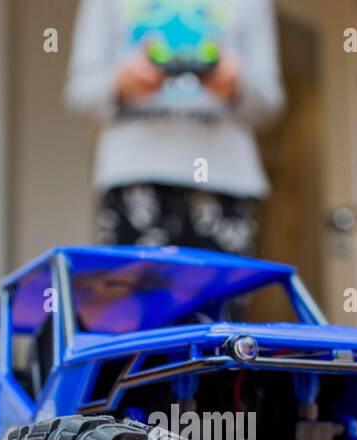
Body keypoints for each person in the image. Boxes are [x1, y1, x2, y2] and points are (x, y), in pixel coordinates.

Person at [66, 0, 285, 256]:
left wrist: (237, 85)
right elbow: (79, 93)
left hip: (226, 180)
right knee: (135, 294)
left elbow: (271, 103)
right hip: (133, 177)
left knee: (220, 295)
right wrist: (121, 83)